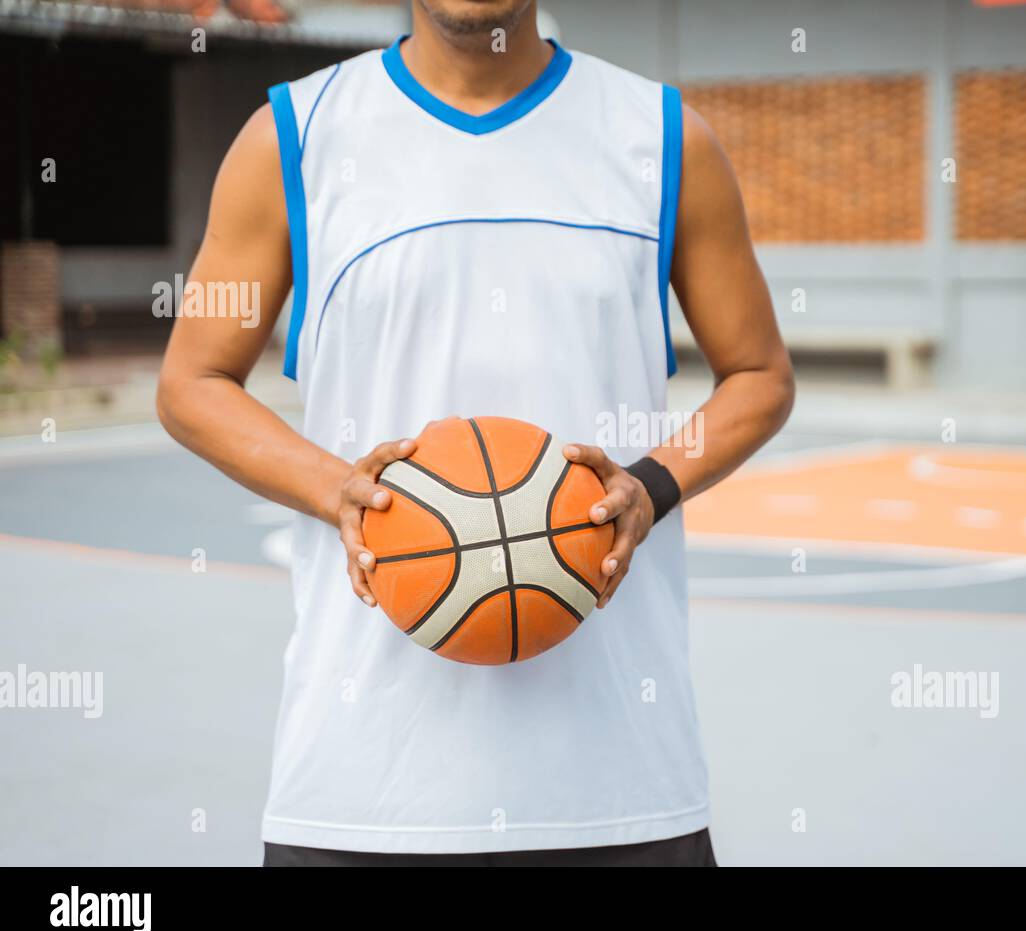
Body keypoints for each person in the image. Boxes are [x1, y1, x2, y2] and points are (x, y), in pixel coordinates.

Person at [157, 0, 793, 866]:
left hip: (621, 788)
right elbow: (192, 381)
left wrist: (650, 486)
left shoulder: (663, 136)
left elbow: (760, 376)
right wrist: (333, 487)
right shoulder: (293, 139)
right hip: (363, 788)